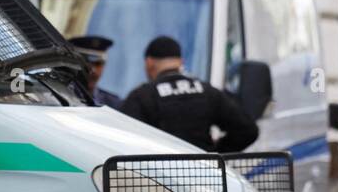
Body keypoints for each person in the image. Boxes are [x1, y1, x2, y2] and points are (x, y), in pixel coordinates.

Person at [120, 35, 258, 152]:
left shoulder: (141, 96)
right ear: (180, 61)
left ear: (149, 63)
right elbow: (248, 131)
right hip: (205, 177)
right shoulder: (207, 91)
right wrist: (213, 152)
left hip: (159, 179)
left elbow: (122, 137)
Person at [68, 35, 122, 107]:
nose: (93, 70)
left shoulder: (114, 104)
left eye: (98, 64)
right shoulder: (54, 94)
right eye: (86, 62)